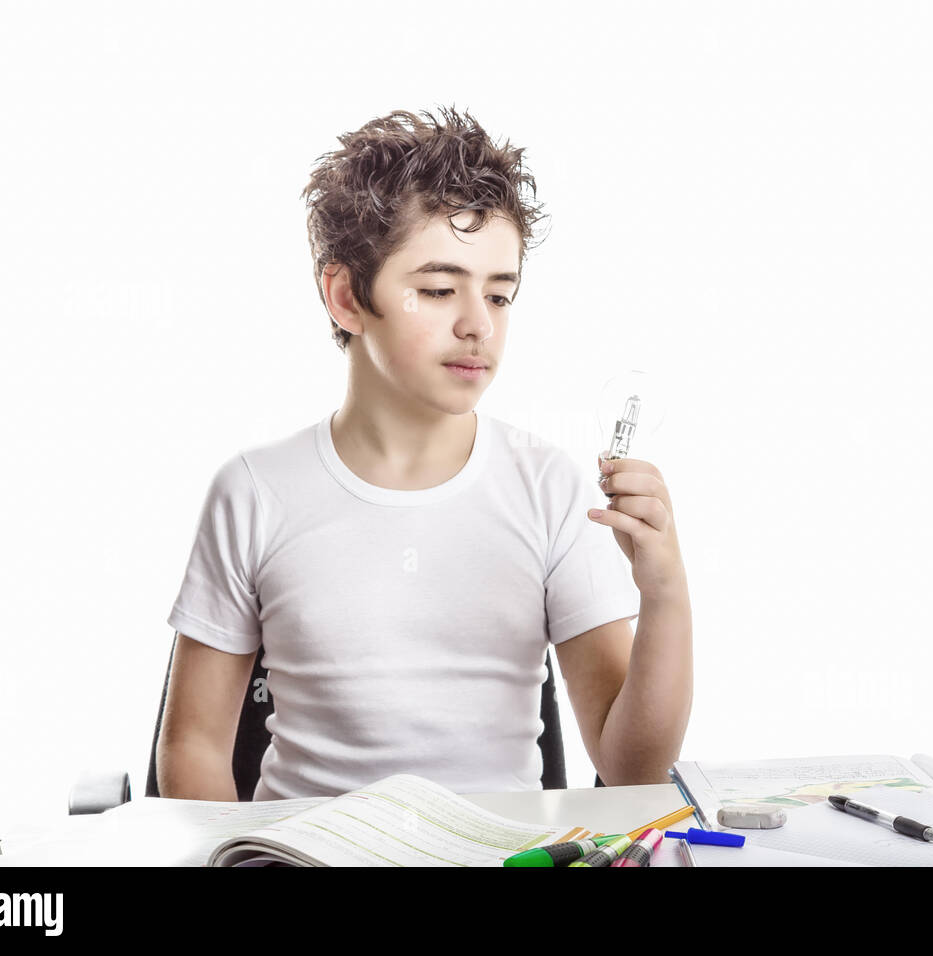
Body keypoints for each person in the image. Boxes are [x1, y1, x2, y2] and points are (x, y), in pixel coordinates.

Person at [157, 106, 692, 801]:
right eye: (439, 290)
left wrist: (666, 592)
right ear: (347, 296)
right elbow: (193, 745)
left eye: (500, 295)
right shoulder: (255, 492)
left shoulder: (549, 488)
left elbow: (633, 771)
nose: (478, 325)